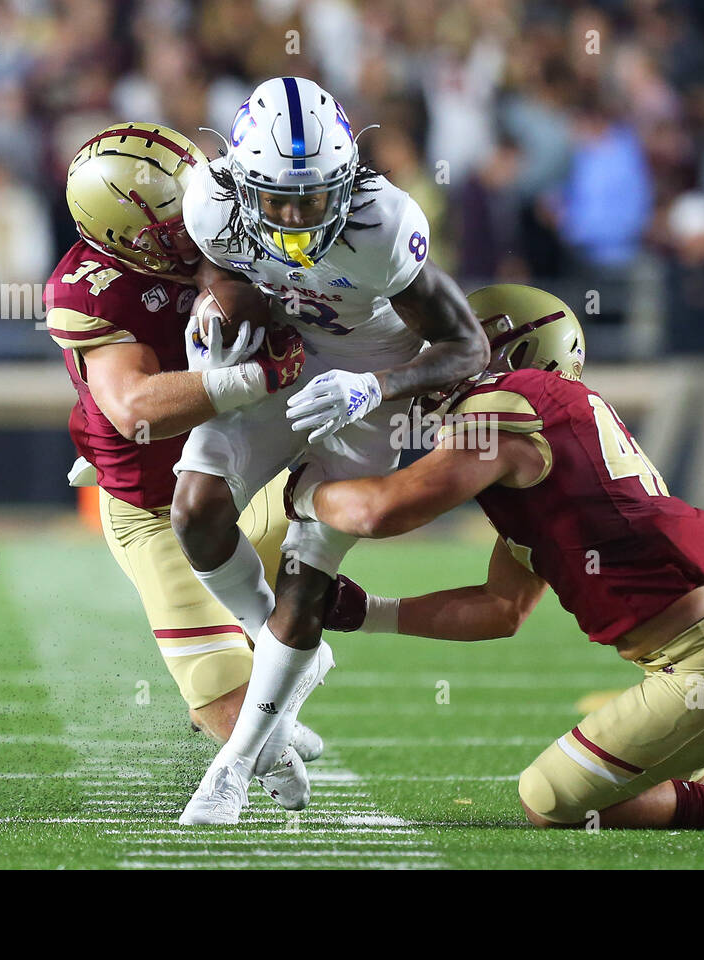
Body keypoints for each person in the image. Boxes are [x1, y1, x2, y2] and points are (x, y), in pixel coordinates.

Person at [286, 283, 704, 830]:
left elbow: (383, 510)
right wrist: (364, 611)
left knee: (550, 799)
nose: (437, 359)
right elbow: (500, 609)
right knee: (669, 749)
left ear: (504, 347)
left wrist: (302, 492)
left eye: (456, 341)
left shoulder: (514, 401)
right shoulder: (549, 442)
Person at [172, 77, 490, 825]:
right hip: (285, 363)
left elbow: (466, 343)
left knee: (307, 572)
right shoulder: (210, 201)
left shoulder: (383, 226)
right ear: (240, 183)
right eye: (276, 199)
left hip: (369, 382)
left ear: (346, 181)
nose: (291, 217)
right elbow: (218, 268)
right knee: (196, 508)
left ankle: (233, 769)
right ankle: (282, 650)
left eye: (312, 199)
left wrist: (375, 388)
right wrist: (209, 313)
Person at [43, 122, 324, 807]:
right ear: (131, 242)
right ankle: (250, 716)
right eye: (175, 223)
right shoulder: (88, 289)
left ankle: (273, 676)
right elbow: (135, 408)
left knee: (337, 525)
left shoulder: (227, 210)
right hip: (156, 511)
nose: (200, 222)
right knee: (234, 722)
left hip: (243, 474)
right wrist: (256, 375)